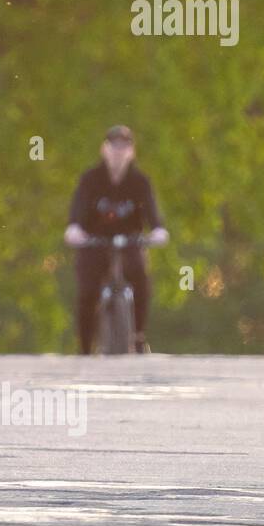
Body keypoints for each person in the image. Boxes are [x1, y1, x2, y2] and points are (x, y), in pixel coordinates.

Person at [64, 125, 169, 354]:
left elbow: (152, 211)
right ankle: (84, 346)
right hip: (94, 242)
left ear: (132, 151)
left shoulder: (140, 182)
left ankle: (139, 336)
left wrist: (158, 230)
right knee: (87, 289)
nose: (118, 151)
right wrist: (74, 229)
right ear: (104, 149)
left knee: (141, 279)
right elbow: (78, 208)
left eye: (124, 146)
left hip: (130, 242)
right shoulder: (90, 179)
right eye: (114, 146)